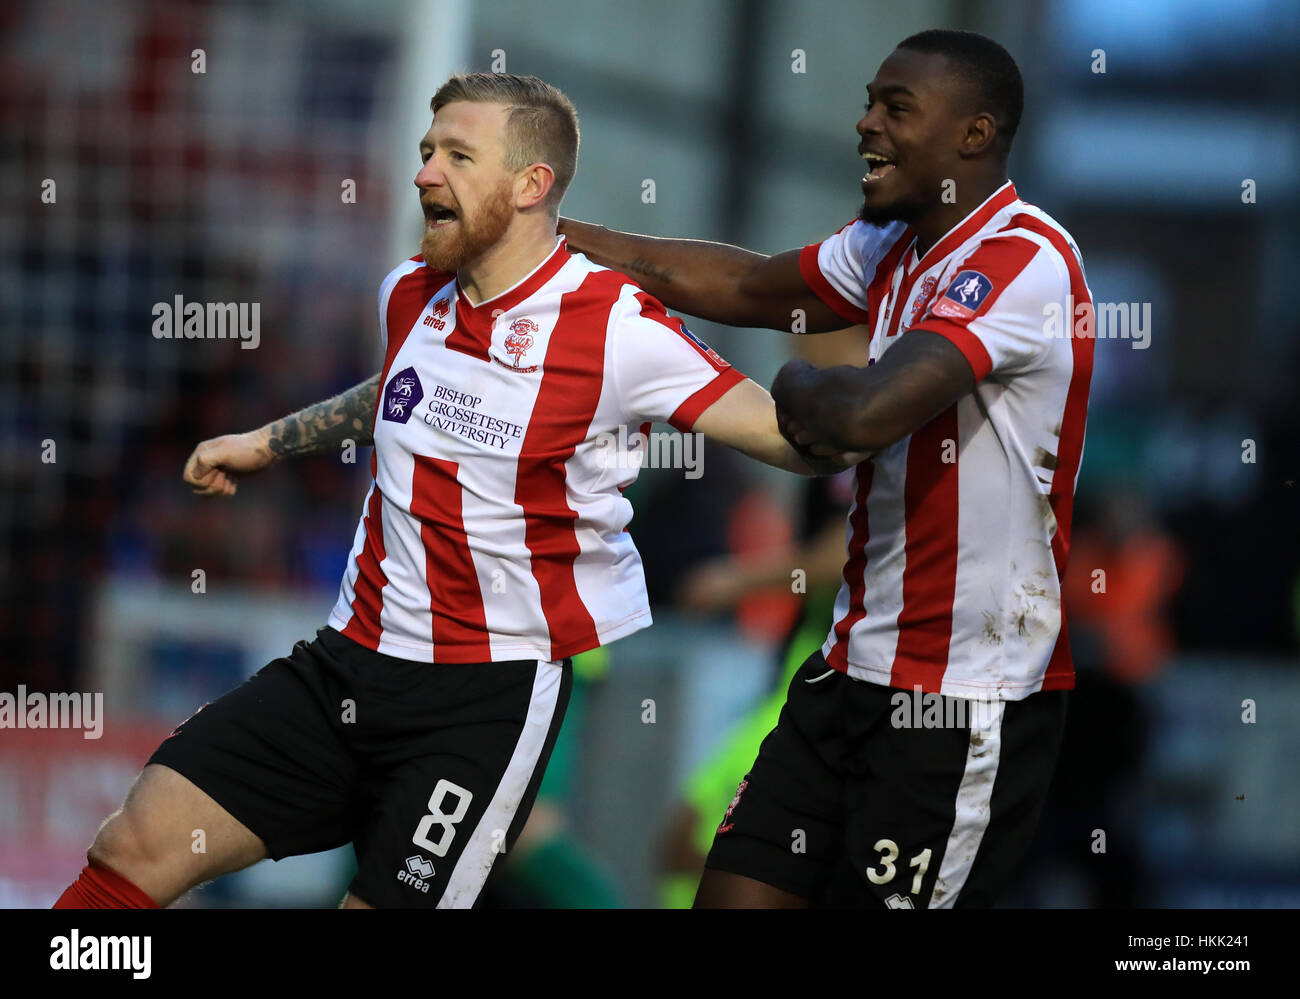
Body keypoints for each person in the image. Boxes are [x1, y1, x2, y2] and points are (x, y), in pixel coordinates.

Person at [53, 72, 852, 910]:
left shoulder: (620, 328)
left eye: (457, 156)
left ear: (530, 184)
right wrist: (268, 441)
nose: (426, 172)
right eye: (428, 151)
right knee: (135, 841)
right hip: (348, 662)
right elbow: (401, 391)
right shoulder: (408, 290)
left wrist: (899, 407)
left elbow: (792, 443)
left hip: (484, 700)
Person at [560, 28, 1095, 908]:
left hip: (961, 703)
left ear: (974, 134)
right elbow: (753, 288)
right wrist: (568, 240)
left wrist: (799, 374)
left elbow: (862, 413)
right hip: (847, 669)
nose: (865, 124)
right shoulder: (893, 243)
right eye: (869, 101)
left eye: (896, 108)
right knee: (724, 889)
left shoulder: (1021, 260)